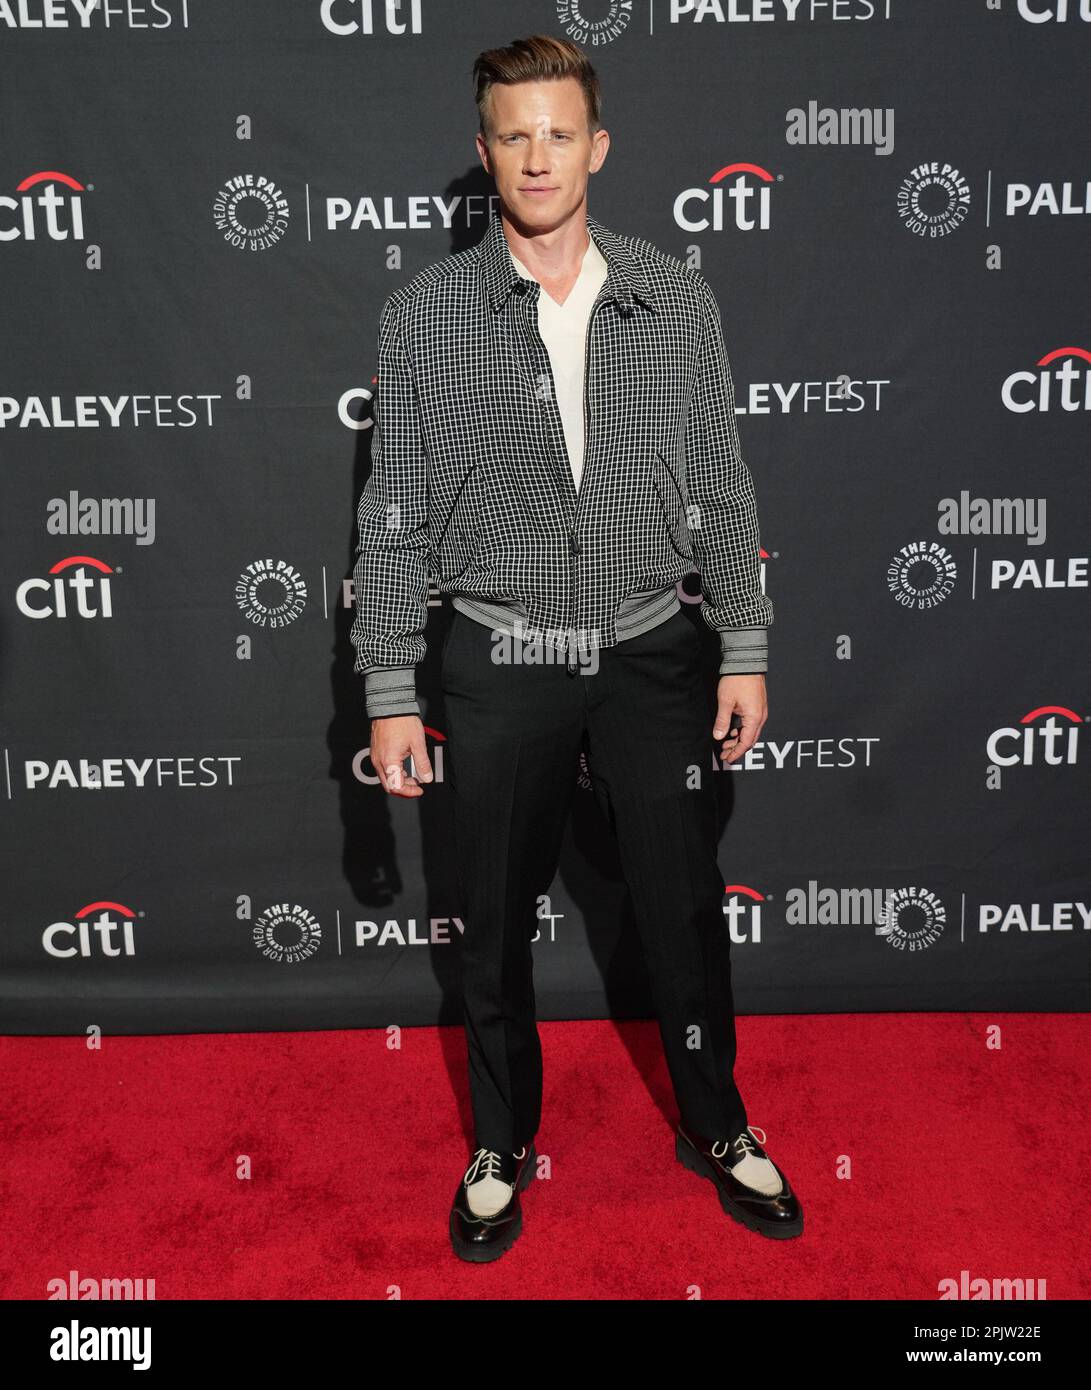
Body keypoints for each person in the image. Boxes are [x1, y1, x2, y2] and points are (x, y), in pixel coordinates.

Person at [350, 33, 802, 1262]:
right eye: (514, 133)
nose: (537, 155)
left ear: (595, 147)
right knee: (487, 924)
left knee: (685, 911)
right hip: (497, 658)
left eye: (559, 132)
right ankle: (502, 1142)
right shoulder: (425, 315)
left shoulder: (674, 295)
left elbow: (720, 476)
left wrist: (745, 643)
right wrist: (391, 684)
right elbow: (391, 514)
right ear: (482, 149)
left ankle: (715, 1122)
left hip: (656, 648)